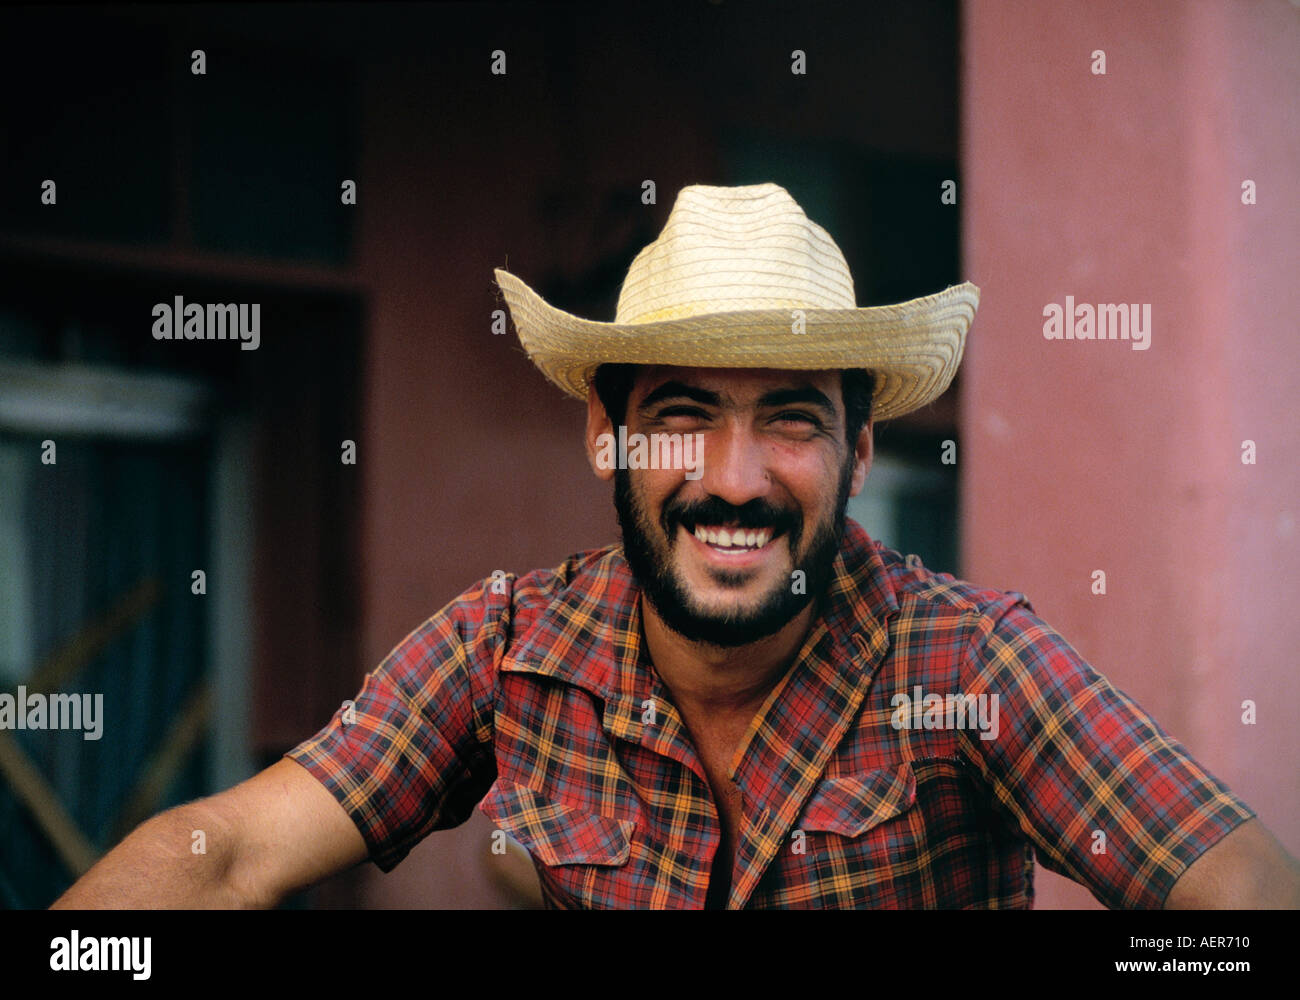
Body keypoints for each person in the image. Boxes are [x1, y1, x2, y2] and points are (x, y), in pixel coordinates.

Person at [53, 183, 1300, 909]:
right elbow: (220, 859)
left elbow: (1235, 892)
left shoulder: (969, 660)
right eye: (682, 418)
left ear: (861, 455)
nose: (732, 482)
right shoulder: (507, 648)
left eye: (792, 423)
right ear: (605, 436)